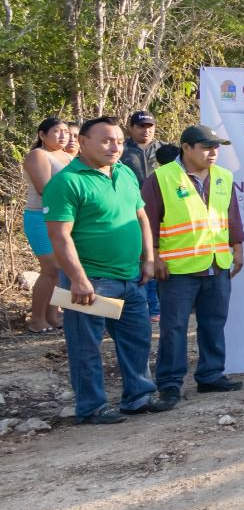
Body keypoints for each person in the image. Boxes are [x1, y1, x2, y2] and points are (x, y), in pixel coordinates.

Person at [44, 116, 163, 424]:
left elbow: (141, 217)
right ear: (82, 142)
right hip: (91, 282)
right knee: (87, 348)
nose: (115, 147)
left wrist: (148, 258)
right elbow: (60, 235)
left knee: (137, 341)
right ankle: (91, 408)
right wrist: (78, 279)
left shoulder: (124, 173)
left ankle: (138, 397)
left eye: (120, 141)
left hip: (131, 278)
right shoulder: (67, 182)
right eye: (107, 140)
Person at [145, 124, 244, 408]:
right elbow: (148, 220)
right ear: (186, 148)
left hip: (217, 263)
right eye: (205, 147)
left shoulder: (224, 177)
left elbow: (232, 215)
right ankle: (169, 384)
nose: (212, 152)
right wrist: (153, 256)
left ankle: (211, 375)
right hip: (178, 268)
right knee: (173, 327)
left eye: (215, 147)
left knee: (214, 322)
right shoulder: (162, 178)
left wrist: (238, 247)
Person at [23, 118, 74, 332]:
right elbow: (44, 188)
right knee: (51, 268)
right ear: (42, 135)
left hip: (65, 218)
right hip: (39, 217)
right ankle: (36, 319)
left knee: (63, 269)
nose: (63, 135)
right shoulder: (38, 155)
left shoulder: (69, 156)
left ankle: (52, 315)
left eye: (65, 131)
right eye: (57, 131)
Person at [120, 109, 163, 320]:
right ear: (131, 128)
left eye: (150, 126)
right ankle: (139, 305)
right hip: (129, 212)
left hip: (160, 211)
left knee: (155, 254)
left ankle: (155, 307)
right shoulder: (121, 151)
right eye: (141, 126)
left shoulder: (166, 151)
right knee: (137, 256)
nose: (146, 130)